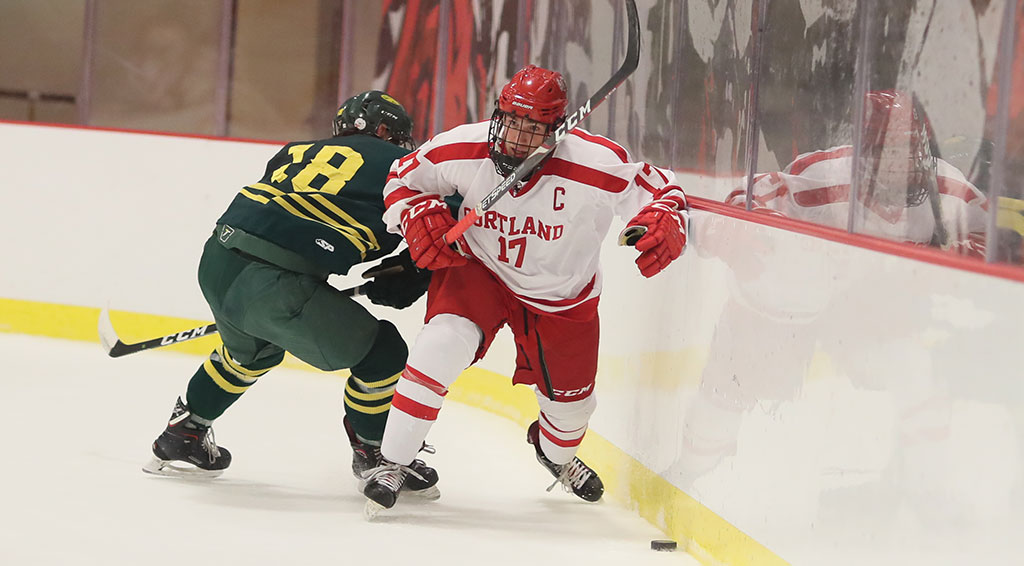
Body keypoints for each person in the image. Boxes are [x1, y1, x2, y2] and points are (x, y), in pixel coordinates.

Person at [358, 64, 690, 511]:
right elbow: (402, 177)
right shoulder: (464, 145)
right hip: (481, 270)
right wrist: (414, 212)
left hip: (563, 296)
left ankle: (556, 457)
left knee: (571, 415)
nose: (516, 136)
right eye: (511, 121)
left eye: (532, 127)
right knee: (438, 347)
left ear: (555, 129)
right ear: (499, 114)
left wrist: (667, 213)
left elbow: (660, 188)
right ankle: (392, 463)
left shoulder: (594, 163)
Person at [144, 90, 438, 498]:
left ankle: (185, 431)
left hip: (218, 258)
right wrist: (416, 267)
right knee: (383, 354)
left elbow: (291, 219)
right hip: (273, 280)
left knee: (252, 352)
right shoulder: (398, 163)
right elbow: (448, 212)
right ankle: (374, 453)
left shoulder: (294, 151)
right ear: (384, 130)